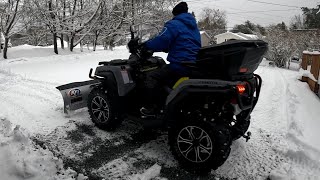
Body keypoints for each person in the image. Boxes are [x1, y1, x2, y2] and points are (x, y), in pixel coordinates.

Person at [140, 2, 201, 116]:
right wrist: (168, 48)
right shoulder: (194, 27)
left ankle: (153, 108)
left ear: (175, 14)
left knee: (152, 77)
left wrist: (146, 46)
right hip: (193, 63)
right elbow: (184, 42)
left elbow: (162, 40)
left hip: (179, 65)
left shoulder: (174, 24)